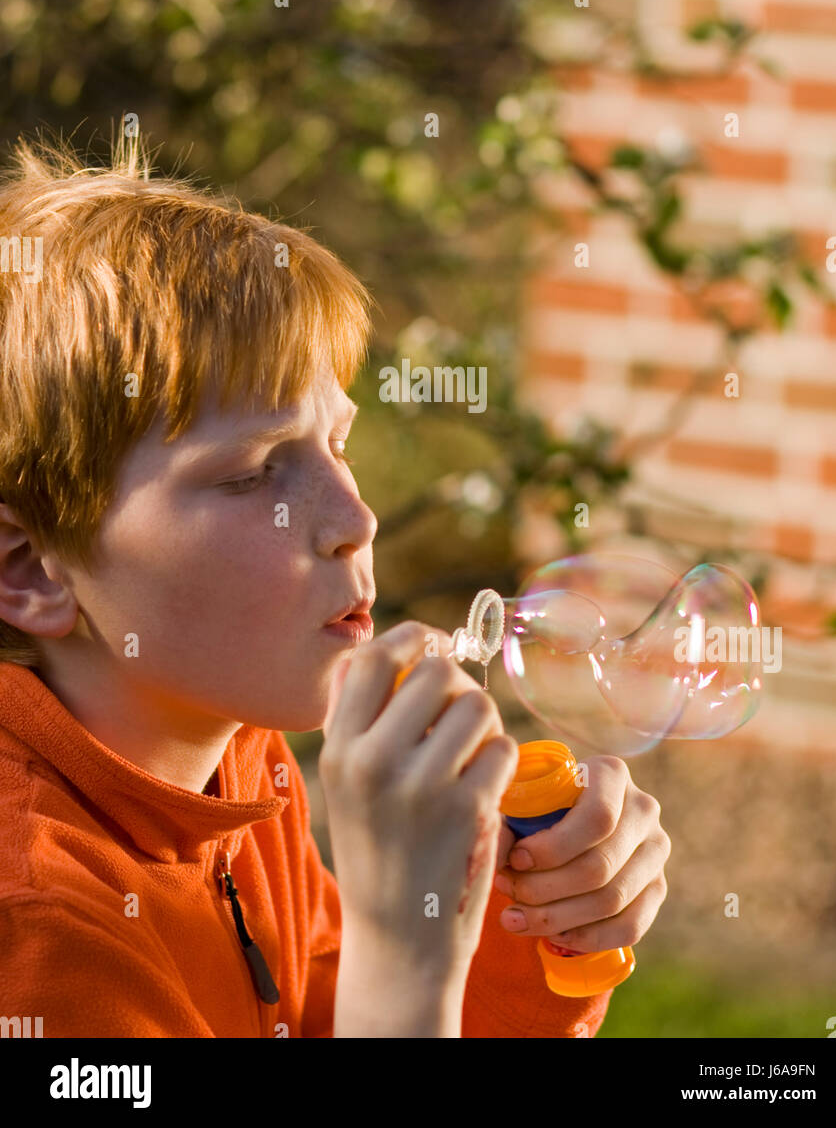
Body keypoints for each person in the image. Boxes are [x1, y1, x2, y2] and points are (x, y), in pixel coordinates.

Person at [0, 131, 670, 1038]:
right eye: (252, 471)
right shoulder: (38, 932)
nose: (356, 518)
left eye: (336, 445)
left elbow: (327, 1015)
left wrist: (514, 923)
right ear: (32, 568)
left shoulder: (240, 762)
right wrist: (401, 950)